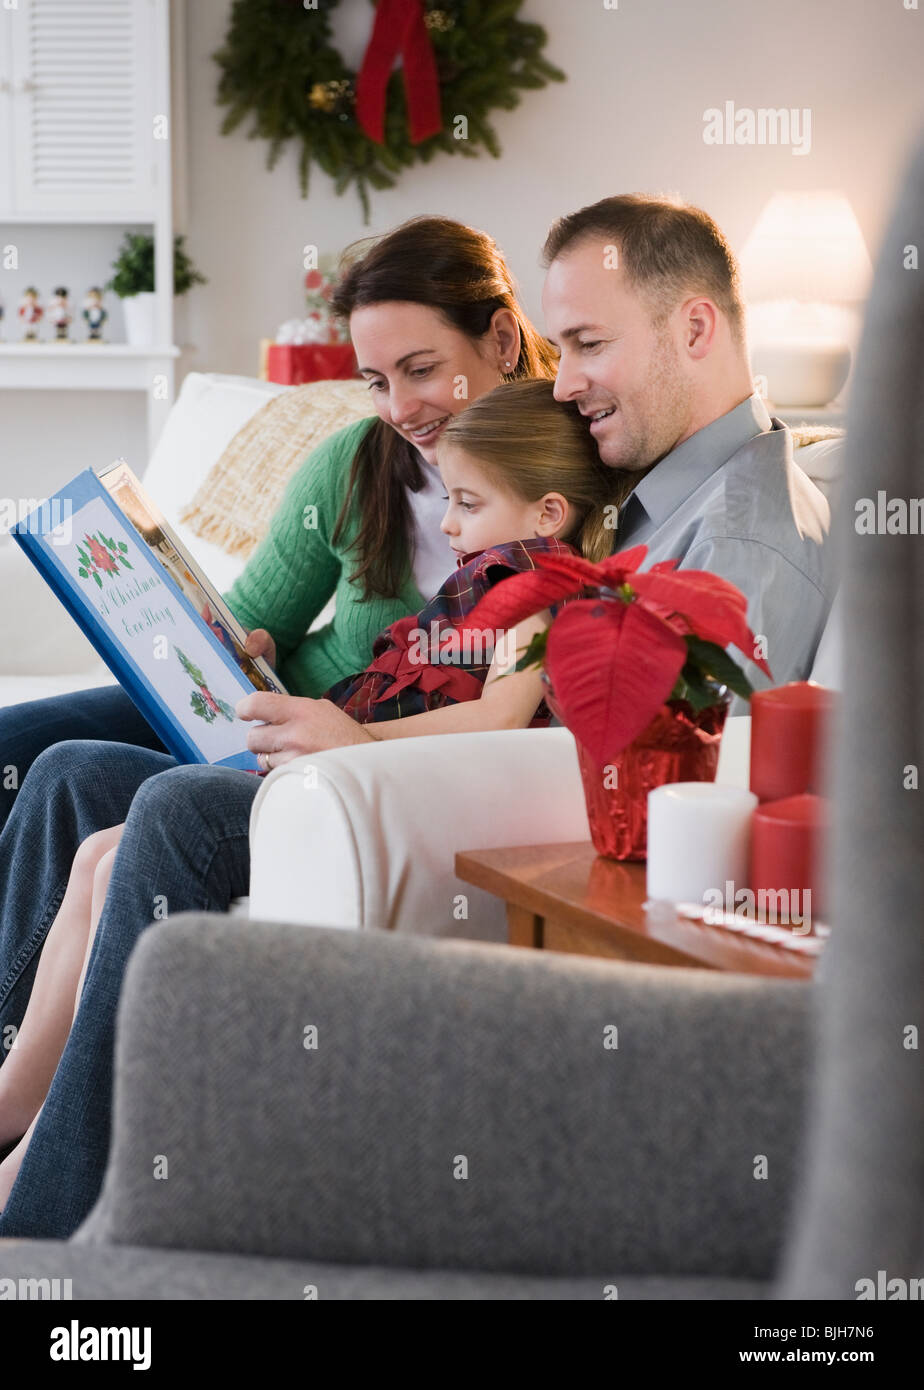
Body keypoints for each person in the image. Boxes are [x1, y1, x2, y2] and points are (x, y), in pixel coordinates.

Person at [0, 194, 834, 1239]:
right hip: (358, 738)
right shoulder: (634, 476)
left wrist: (356, 748)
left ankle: (38, 1218)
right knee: (61, 762)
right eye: (560, 344)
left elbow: (631, 760)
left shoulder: (726, 530)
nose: (564, 380)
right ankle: (22, 1132)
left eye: (584, 344)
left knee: (158, 811)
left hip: (433, 778)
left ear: (696, 328)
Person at [0, 379, 616, 1209]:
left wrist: (351, 742)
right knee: (95, 856)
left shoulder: (544, 589)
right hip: (318, 758)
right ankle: (16, 1113)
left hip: (352, 780)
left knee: (118, 858)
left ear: (547, 513)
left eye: (468, 503)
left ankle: (24, 1164)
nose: (449, 523)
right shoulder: (491, 572)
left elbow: (502, 714)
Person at [0, 215, 556, 833]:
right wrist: (243, 645)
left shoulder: (566, 477)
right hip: (266, 716)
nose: (398, 410)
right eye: (376, 381)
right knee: (15, 748)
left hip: (352, 760)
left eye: (421, 369)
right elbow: (260, 620)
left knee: (72, 777)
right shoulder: (350, 464)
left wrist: (350, 738)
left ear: (502, 339)